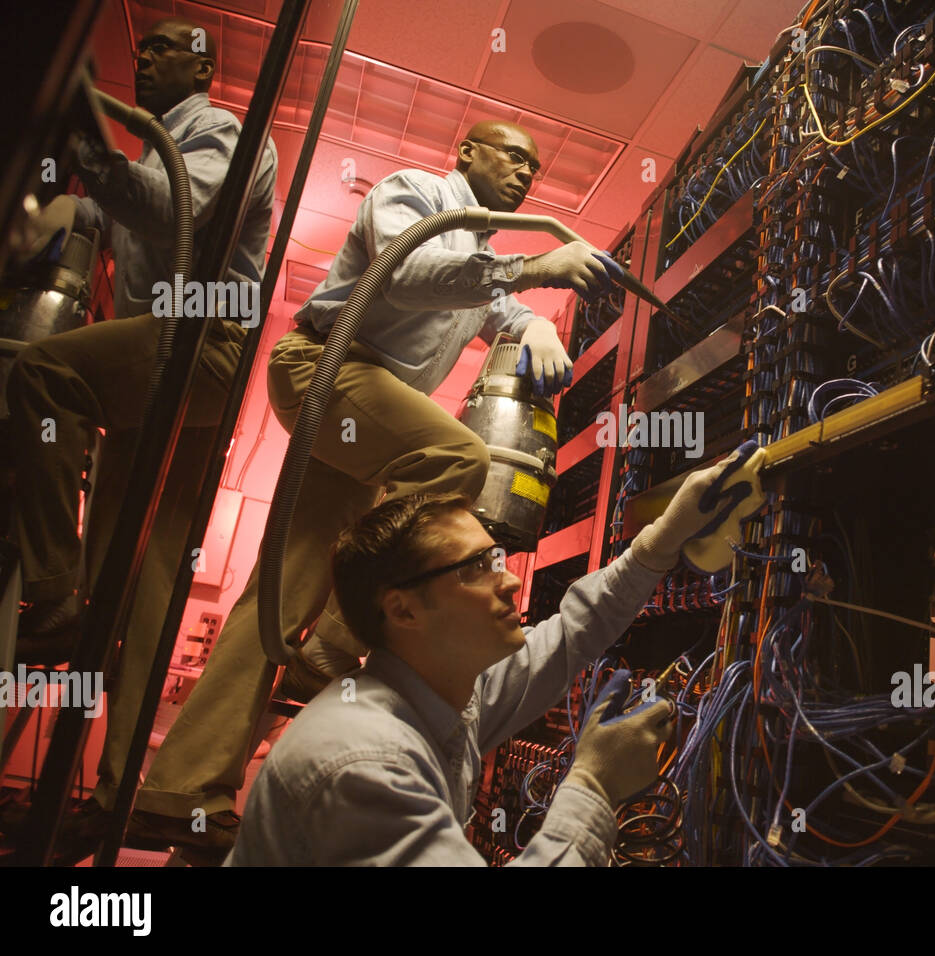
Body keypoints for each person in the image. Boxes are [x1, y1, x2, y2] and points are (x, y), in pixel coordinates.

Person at [115, 120, 626, 857]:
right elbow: (406, 272)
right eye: (512, 155)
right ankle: (329, 654)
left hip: (354, 422)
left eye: (535, 167)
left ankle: (179, 789)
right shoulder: (413, 192)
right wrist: (535, 267)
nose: (526, 173)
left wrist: (531, 323)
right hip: (323, 367)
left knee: (279, 598)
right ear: (466, 153)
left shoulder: (474, 253)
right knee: (458, 459)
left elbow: (478, 292)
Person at [2, 17, 277, 855]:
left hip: (199, 341)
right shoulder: (149, 149)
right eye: (144, 46)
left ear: (203, 65)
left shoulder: (213, 131)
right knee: (141, 586)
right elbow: (81, 211)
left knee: (41, 375)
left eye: (165, 48)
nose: (148, 58)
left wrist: (88, 146)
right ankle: (110, 795)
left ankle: (48, 593)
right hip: (157, 361)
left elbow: (173, 209)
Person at [228, 453, 738, 865]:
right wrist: (593, 786)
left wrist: (661, 539)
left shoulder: (444, 694)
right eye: (477, 567)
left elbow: (571, 634)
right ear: (403, 609)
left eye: (500, 559)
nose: (511, 579)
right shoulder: (366, 764)